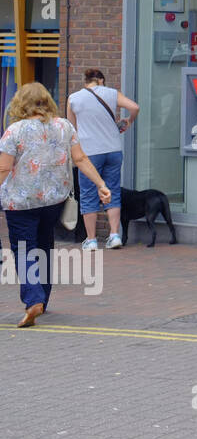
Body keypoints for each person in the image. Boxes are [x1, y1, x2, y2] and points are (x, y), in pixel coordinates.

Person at [0, 83, 112, 327]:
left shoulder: (15, 131)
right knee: (44, 245)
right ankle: (43, 298)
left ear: (20, 103)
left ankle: (33, 300)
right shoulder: (64, 126)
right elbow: (80, 158)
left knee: (23, 249)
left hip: (21, 202)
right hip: (53, 200)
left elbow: (4, 167)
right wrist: (101, 183)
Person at [66, 69, 138, 251]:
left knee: (89, 193)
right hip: (113, 150)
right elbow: (135, 107)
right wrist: (129, 120)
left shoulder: (74, 98)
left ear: (86, 81)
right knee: (112, 190)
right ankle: (114, 235)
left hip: (89, 153)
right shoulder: (112, 93)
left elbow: (71, 128)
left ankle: (91, 240)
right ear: (101, 80)